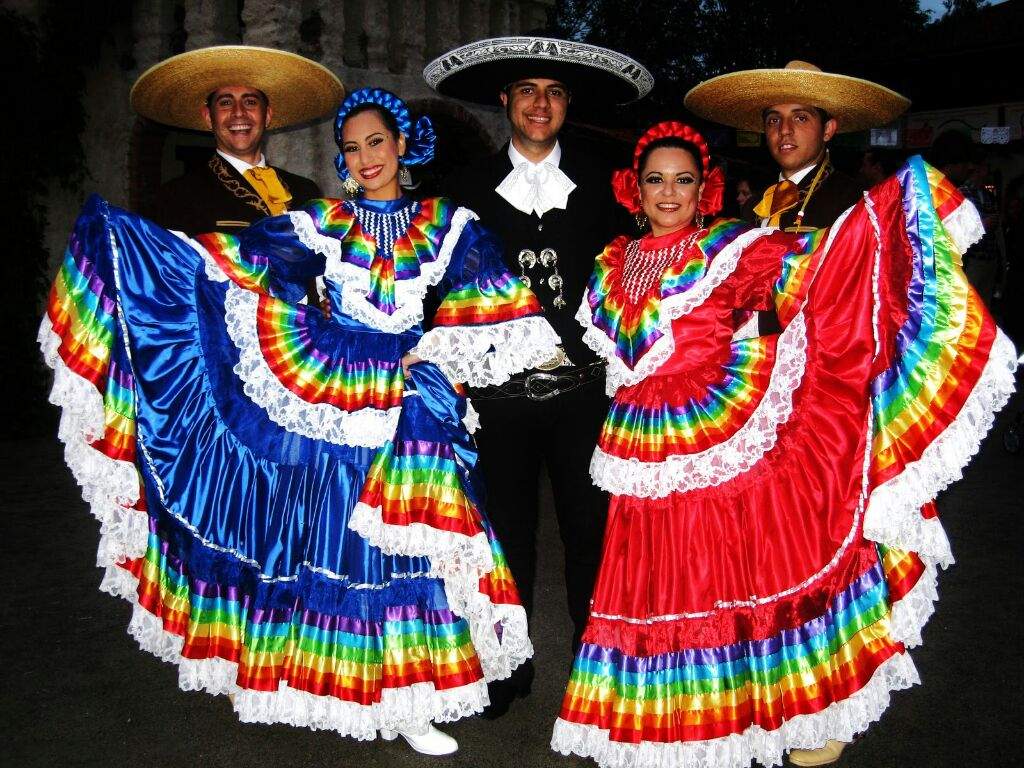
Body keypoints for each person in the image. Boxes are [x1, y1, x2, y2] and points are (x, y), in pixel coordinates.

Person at [39, 88, 565, 757]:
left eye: (376, 142)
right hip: (334, 382)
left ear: (403, 146)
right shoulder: (320, 220)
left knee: (406, 545)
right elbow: (238, 263)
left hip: (406, 388)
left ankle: (410, 699)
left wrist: (441, 359)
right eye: (351, 147)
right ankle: (327, 681)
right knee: (331, 537)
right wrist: (142, 248)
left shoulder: (449, 221)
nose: (365, 157)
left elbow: (487, 296)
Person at [550, 121, 1017, 768]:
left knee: (743, 570)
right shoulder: (610, 262)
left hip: (719, 429)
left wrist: (882, 217)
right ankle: (673, 719)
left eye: (683, 180)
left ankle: (793, 706)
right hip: (638, 447)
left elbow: (821, 275)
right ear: (635, 188)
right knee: (655, 579)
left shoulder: (733, 246)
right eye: (655, 179)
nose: (668, 192)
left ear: (703, 190)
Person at [422, 36, 651, 718]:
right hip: (498, 401)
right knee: (506, 537)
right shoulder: (461, 192)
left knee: (591, 534)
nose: (540, 103)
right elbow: (437, 293)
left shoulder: (611, 187)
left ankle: (597, 669)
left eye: (552, 92)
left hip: (584, 395)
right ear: (505, 101)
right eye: (526, 91)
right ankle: (507, 668)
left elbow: (638, 275)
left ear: (567, 103)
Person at [686, 60, 910, 336]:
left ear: (828, 129)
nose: (785, 129)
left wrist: (755, 326)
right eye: (773, 120)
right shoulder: (752, 206)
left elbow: (851, 299)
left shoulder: (854, 203)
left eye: (801, 117)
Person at [132, 45, 342, 235]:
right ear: (208, 117)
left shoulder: (305, 190)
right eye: (225, 103)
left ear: (267, 116)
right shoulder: (176, 197)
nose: (239, 113)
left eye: (250, 102)